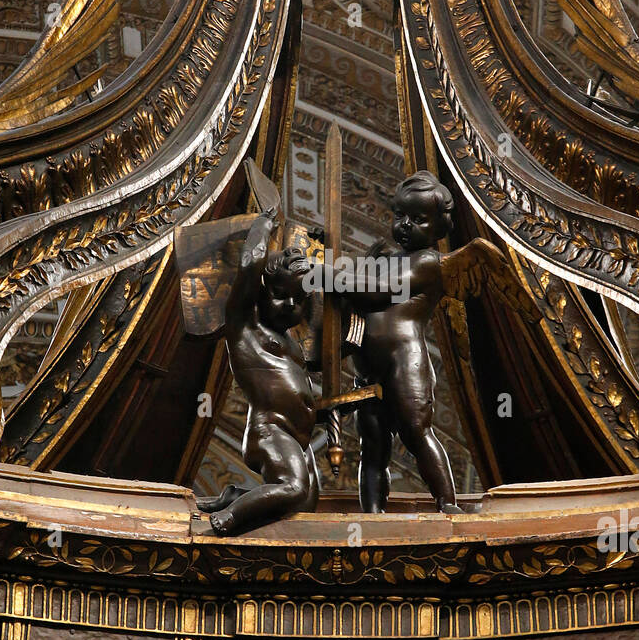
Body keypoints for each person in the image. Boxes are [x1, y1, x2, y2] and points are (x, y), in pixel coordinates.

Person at [196, 204, 320, 535]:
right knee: (293, 488)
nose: (292, 305)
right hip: (271, 431)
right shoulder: (245, 327)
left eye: (300, 298)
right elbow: (250, 267)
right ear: (263, 290)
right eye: (282, 295)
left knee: (304, 505)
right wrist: (263, 226)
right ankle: (232, 516)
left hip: (297, 438)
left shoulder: (290, 340)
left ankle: (237, 495)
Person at [346, 171, 462, 514]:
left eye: (418, 219)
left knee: (414, 430)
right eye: (400, 216)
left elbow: (378, 291)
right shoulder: (386, 258)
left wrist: (323, 273)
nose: (406, 225)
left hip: (403, 361)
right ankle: (372, 516)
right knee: (373, 446)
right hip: (368, 371)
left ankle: (447, 504)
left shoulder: (429, 263)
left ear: (437, 227)